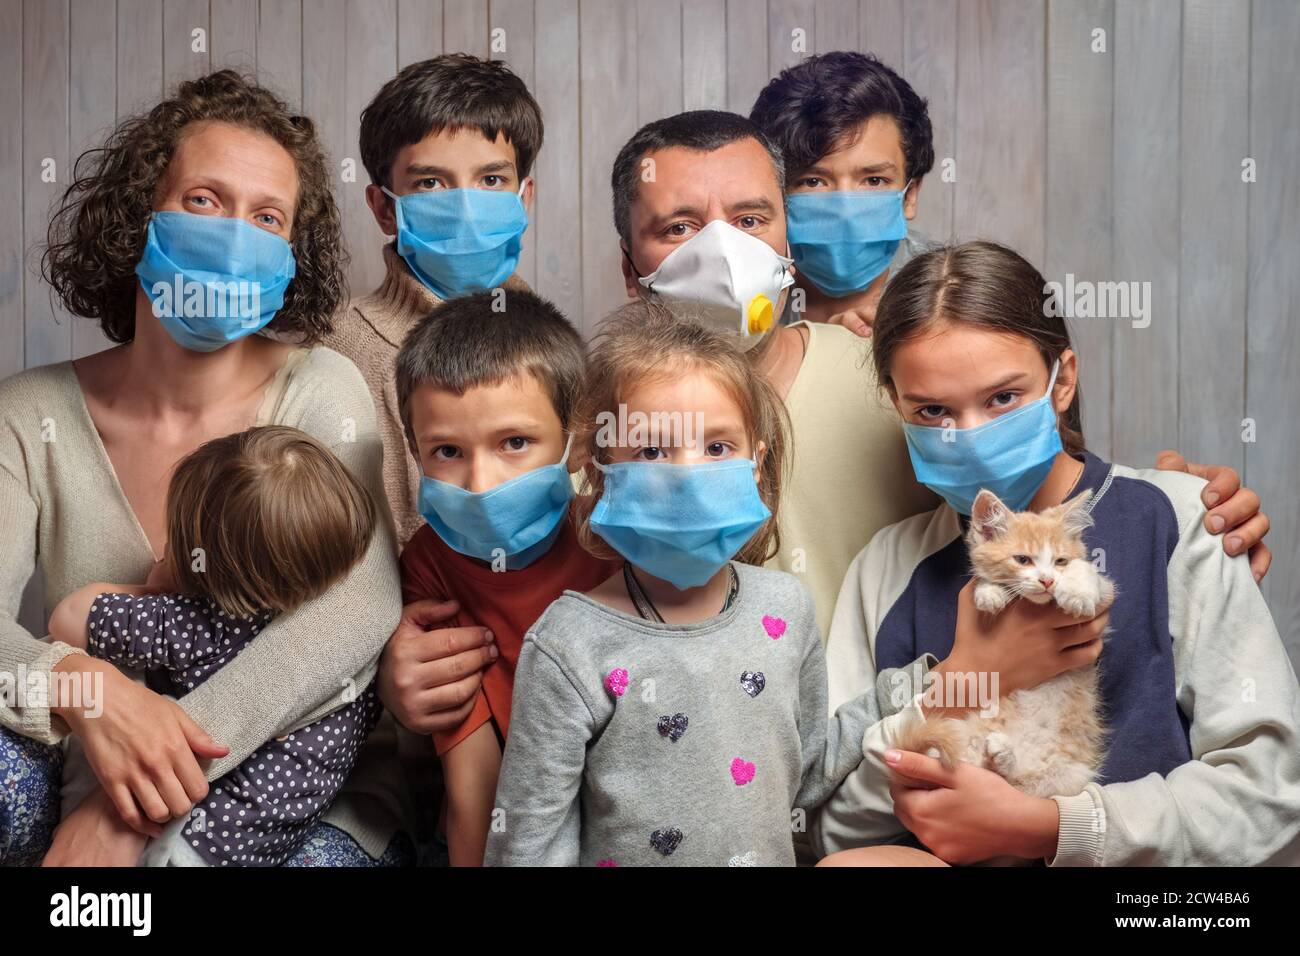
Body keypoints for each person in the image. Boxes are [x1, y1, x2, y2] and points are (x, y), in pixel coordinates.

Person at [0, 70, 405, 867]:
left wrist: (139, 805)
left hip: (294, 800)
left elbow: (360, 607)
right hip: (81, 772)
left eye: (266, 217)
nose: (234, 235)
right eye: (204, 200)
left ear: (291, 256)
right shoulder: (24, 414)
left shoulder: (324, 388)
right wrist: (89, 691)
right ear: (138, 216)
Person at [814, 241, 1300, 866]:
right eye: (933, 411)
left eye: (1003, 398)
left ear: (1061, 379)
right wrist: (958, 681)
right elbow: (830, 826)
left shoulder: (1178, 520)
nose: (969, 435)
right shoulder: (885, 567)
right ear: (896, 406)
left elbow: (1271, 789)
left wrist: (1052, 827)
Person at [485, 301, 892, 866]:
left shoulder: (785, 610)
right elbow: (528, 843)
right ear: (601, 473)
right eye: (651, 450)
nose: (687, 475)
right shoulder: (568, 643)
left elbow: (804, 772)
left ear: (756, 461)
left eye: (717, 447)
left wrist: (904, 693)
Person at [48, 426, 382, 866]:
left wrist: (156, 586)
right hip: (270, 836)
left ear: (198, 566)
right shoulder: (343, 629)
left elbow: (67, 618)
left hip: (184, 842)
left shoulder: (193, 625)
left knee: (117, 699)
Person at [395, 290, 619, 865]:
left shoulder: (616, 540)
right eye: (446, 450)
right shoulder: (428, 567)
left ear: (574, 441)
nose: (479, 483)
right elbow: (474, 790)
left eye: (514, 443)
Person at [326, 53, 543, 548]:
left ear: (523, 198)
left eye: (491, 180)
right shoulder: (337, 353)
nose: (465, 208)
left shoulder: (552, 340)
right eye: (430, 183)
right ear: (384, 207)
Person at [750, 50, 938, 334]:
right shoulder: (739, 295)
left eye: (874, 180)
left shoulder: (958, 296)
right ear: (772, 194)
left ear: (910, 196)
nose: (846, 212)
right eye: (812, 181)